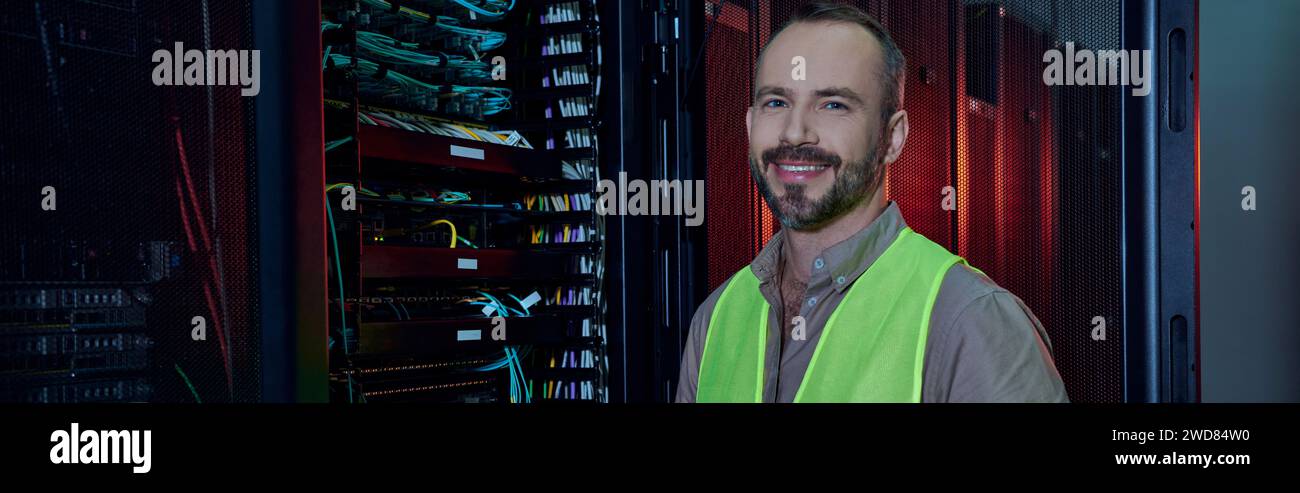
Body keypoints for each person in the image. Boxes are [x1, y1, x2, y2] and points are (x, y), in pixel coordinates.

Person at [676, 2, 1068, 403]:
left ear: (893, 138)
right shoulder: (715, 319)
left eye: (833, 105)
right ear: (749, 124)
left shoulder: (971, 321)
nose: (794, 133)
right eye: (776, 102)